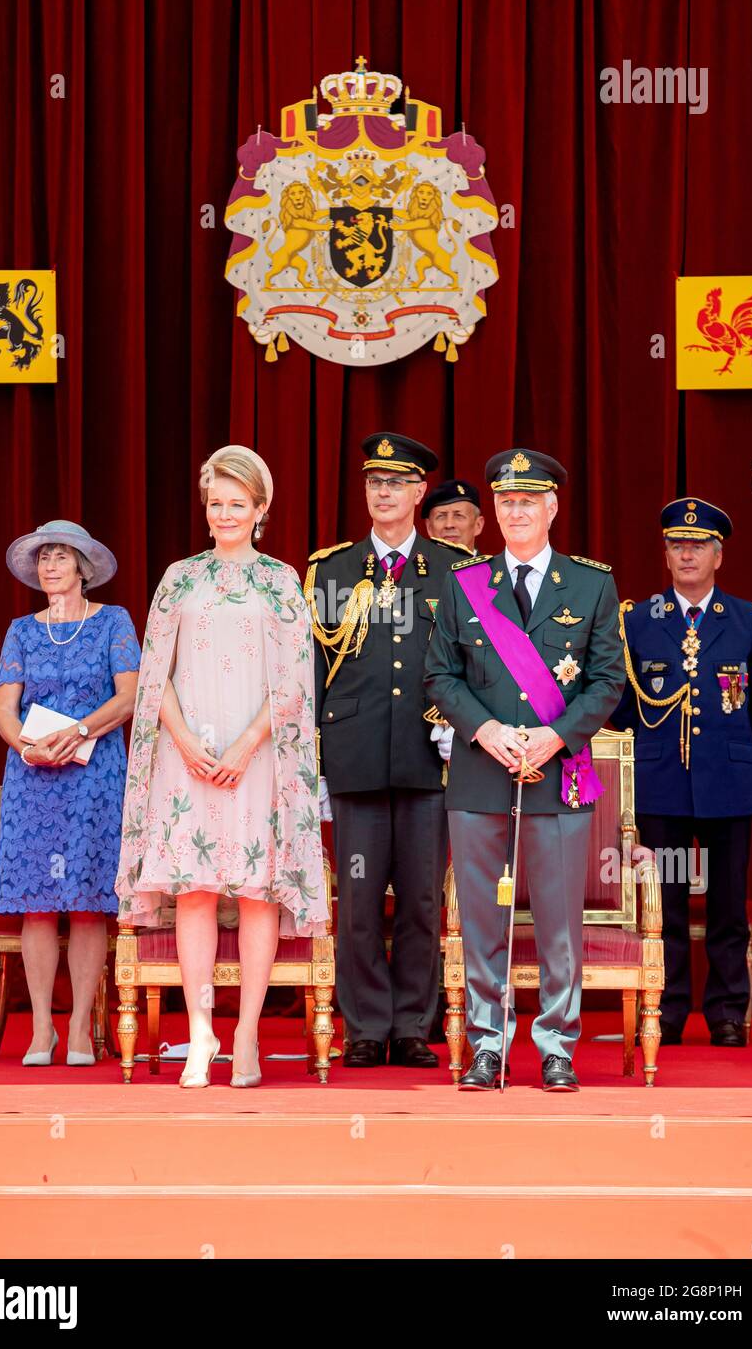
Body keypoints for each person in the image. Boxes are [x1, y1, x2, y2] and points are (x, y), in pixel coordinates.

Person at [115, 446, 328, 1089]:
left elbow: (295, 677)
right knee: (196, 890)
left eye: (240, 503)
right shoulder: (179, 577)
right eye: (217, 503)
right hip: (187, 761)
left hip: (260, 757)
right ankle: (203, 1032)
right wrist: (183, 741)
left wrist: (243, 747)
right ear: (205, 510)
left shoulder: (282, 579)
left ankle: (248, 1034)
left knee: (259, 892)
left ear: (261, 509)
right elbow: (156, 672)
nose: (227, 513)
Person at [425, 449, 625, 1091]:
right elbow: (440, 675)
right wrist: (484, 730)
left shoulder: (591, 584)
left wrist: (556, 736)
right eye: (506, 501)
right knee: (483, 918)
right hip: (482, 774)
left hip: (558, 774)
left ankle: (558, 1044)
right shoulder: (464, 585)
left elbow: (607, 681)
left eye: (528, 501)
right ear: (495, 511)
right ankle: (488, 1041)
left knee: (561, 921)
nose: (516, 511)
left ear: (552, 508)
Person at [304, 433, 469, 1068]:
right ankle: (367, 1025)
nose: (384, 492)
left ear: (419, 493)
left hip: (431, 757)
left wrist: (459, 724)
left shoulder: (454, 568)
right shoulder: (333, 568)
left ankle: (412, 1026)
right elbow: (314, 668)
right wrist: (317, 760)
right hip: (355, 754)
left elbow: (468, 660)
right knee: (361, 899)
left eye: (397, 483)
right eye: (375, 482)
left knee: (424, 900)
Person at [611, 497, 752, 1047]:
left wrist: (726, 751)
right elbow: (620, 706)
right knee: (668, 905)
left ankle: (728, 1013)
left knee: (728, 905)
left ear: (718, 555)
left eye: (698, 545)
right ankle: (670, 1011)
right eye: (677, 545)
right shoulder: (638, 620)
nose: (687, 554)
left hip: (727, 780)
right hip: (660, 782)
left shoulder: (748, 619)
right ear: (665, 555)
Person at [0, 520, 141, 1065]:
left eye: (61, 556)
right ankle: (40, 1029)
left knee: (85, 904)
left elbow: (129, 697)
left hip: (93, 775)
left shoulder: (113, 623)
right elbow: (4, 707)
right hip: (34, 777)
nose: (50, 565)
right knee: (36, 906)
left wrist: (79, 731)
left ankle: (79, 1028)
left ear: (83, 567)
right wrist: (26, 746)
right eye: (43, 558)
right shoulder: (21, 630)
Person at [422, 478, 485, 555]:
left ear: (478, 525)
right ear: (429, 527)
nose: (449, 525)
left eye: (459, 516)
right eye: (441, 516)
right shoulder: (411, 567)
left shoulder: (492, 567)